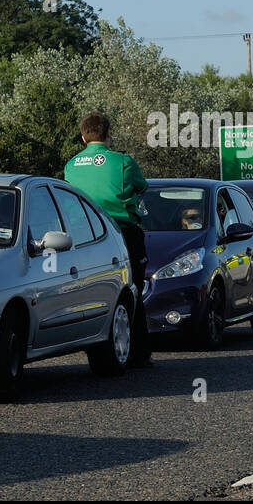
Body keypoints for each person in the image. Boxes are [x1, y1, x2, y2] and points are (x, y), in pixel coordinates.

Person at [63, 111, 152, 367]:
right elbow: (142, 186)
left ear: (83, 137)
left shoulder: (71, 165)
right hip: (122, 231)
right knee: (132, 288)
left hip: (83, 236)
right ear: (109, 134)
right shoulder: (123, 162)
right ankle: (138, 353)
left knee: (96, 290)